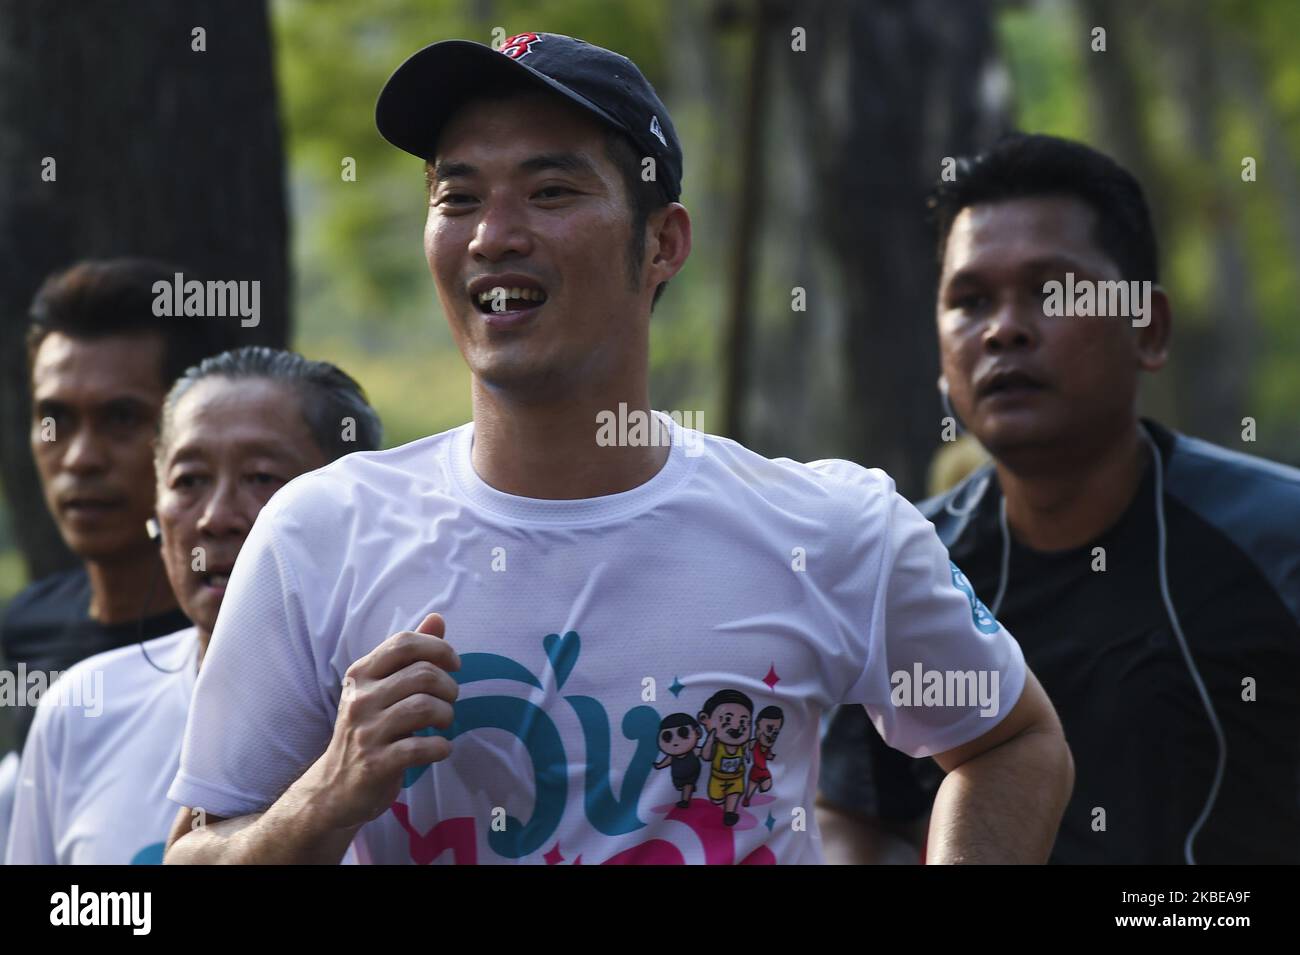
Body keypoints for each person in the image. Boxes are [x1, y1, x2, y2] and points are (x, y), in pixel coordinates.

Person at [164, 34, 1071, 866]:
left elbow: (1013, 742)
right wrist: (326, 795)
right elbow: (194, 854)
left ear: (663, 244)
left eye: (551, 192)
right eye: (459, 196)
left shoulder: (833, 529)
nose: (493, 235)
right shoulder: (320, 533)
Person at [819, 133, 1300, 865]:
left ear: (1150, 326)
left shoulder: (1280, 541)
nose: (1003, 328)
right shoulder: (898, 563)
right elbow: (853, 815)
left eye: (1053, 292)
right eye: (970, 300)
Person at [5, 347, 381, 864]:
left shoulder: (404, 717)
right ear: (157, 511)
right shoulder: (82, 708)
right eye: (189, 481)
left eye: (261, 478)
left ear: (356, 507)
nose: (216, 518)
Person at [2, 259, 231, 752]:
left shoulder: (239, 633)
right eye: (55, 417)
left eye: (122, 417)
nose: (81, 458)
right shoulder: (25, 629)